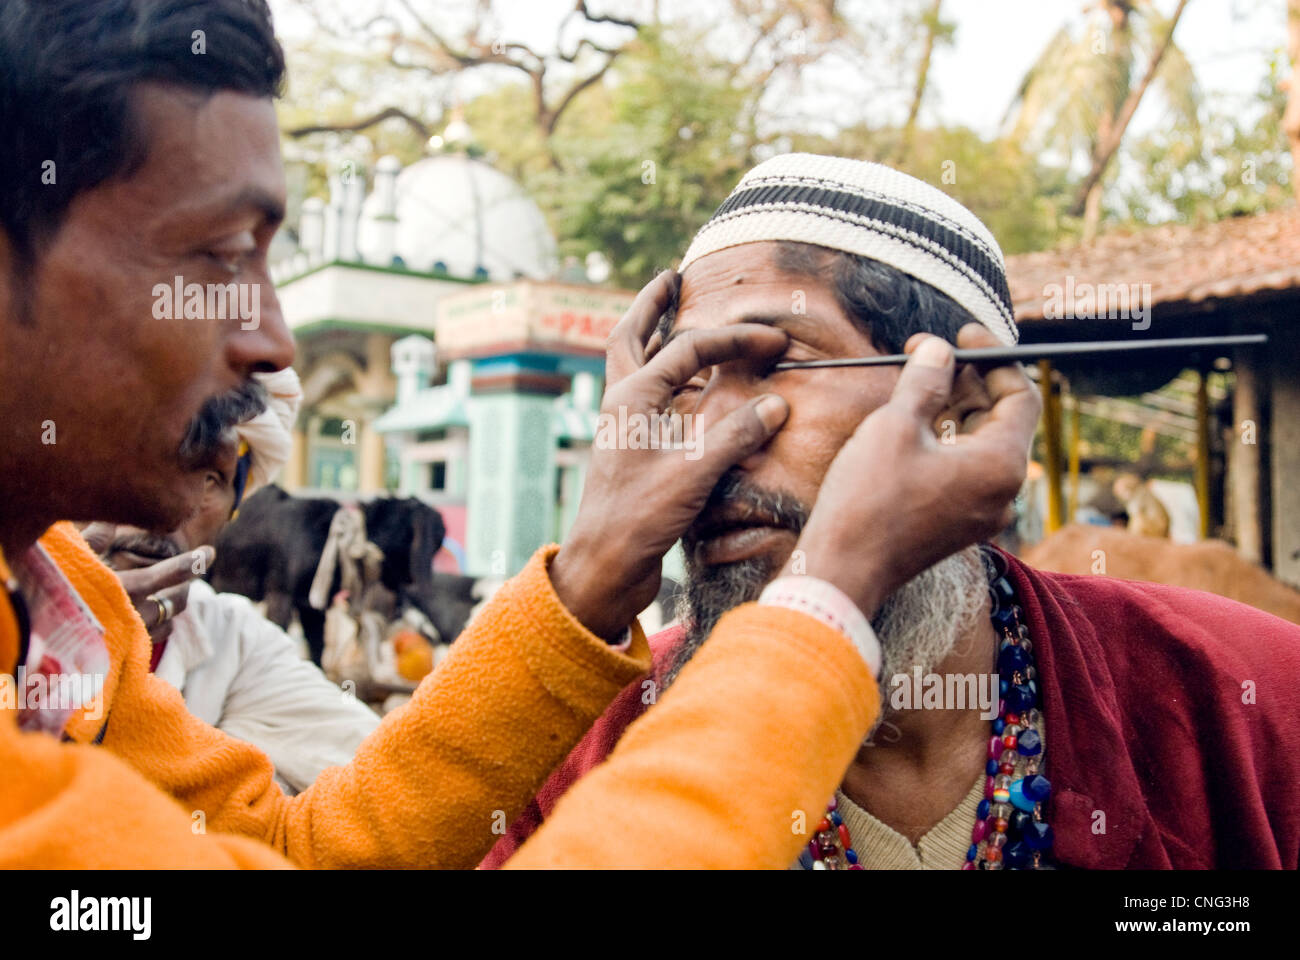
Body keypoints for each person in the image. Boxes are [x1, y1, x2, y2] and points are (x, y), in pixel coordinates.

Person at [0, 0, 1035, 868]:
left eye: (777, 363)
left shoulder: (67, 620)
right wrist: (826, 602)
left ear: (962, 393)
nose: (275, 345)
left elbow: (308, 852)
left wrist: (584, 581)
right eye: (220, 255)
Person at [486, 153, 1300, 870]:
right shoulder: (567, 750)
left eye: (776, 362)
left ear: (966, 398)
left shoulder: (1247, 699)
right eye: (687, 381)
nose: (709, 442)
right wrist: (585, 580)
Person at [86, 369, 381, 794]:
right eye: (140, 457)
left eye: (209, 481)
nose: (173, 507)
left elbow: (382, 778)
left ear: (232, 514)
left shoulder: (235, 641)